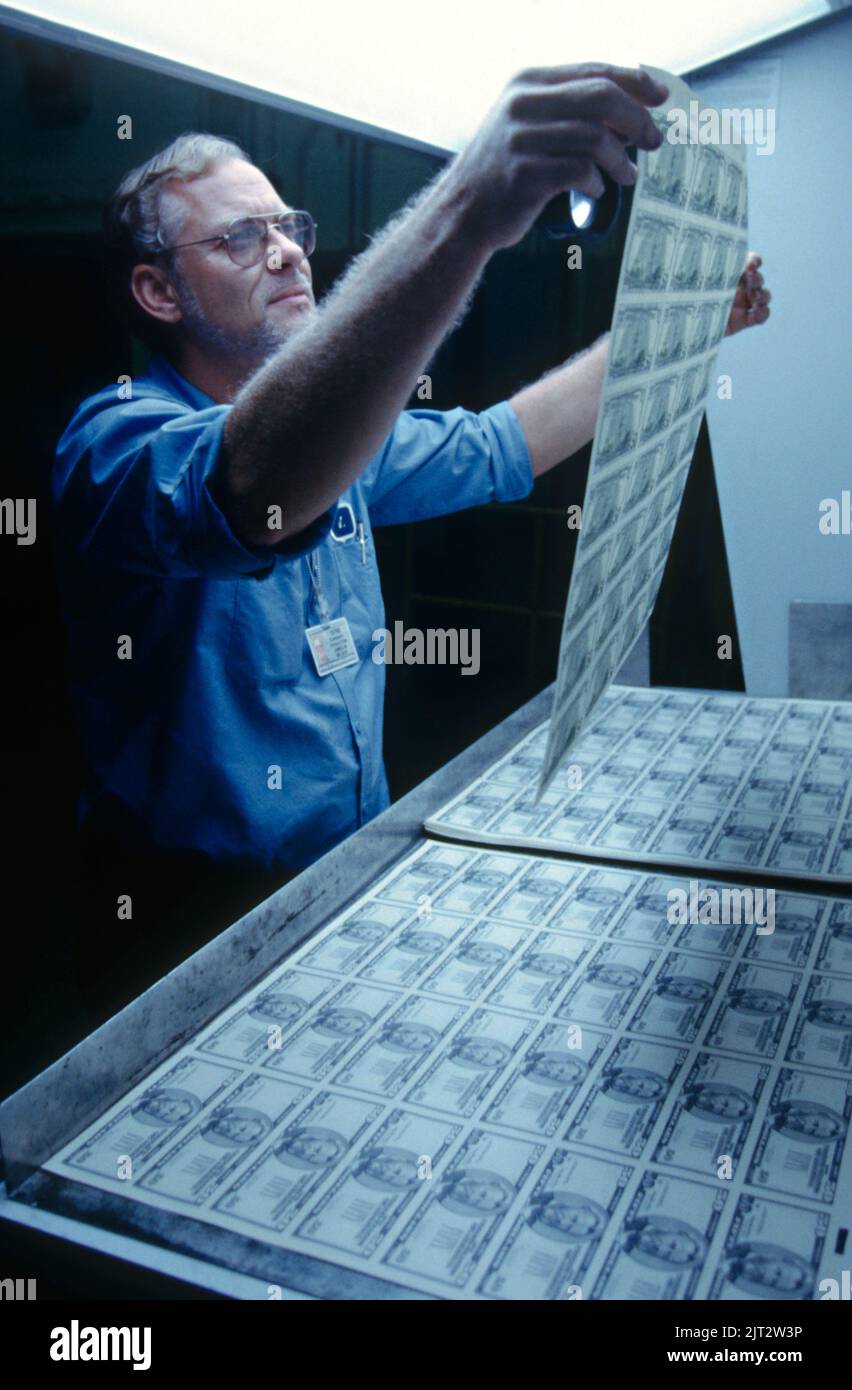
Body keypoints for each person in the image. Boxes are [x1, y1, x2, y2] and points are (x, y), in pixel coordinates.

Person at [53, 64, 771, 1022]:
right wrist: (468, 209)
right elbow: (251, 488)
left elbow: (495, 447)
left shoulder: (350, 441)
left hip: (349, 866)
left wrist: (673, 333)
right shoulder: (112, 443)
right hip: (185, 908)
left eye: (289, 227)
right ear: (158, 289)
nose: (286, 254)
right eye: (240, 238)